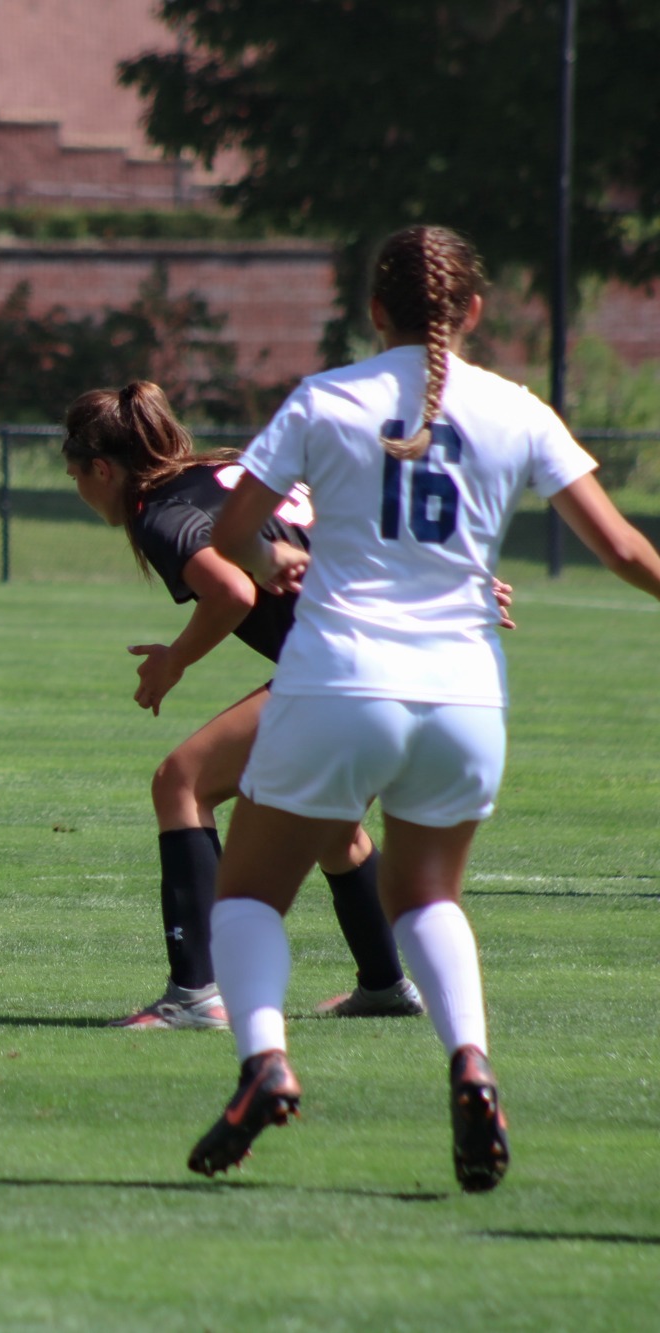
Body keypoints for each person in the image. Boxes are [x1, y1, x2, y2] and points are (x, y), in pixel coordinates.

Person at [185, 225, 660, 1192]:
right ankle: (470, 1061)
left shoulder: (327, 398)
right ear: (475, 310)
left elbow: (233, 535)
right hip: (464, 694)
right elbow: (623, 551)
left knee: (243, 895)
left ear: (374, 310)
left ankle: (265, 1060)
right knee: (429, 897)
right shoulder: (516, 409)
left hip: (337, 682)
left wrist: (279, 555)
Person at [62, 382, 426, 1030]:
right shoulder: (219, 472)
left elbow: (232, 591)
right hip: (411, 655)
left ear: (100, 468)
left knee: (181, 781)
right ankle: (385, 984)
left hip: (348, 663)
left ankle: (195, 994)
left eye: (76, 476)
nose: (82, 493)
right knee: (331, 823)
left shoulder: (160, 511)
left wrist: (175, 659)